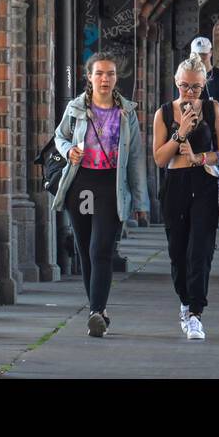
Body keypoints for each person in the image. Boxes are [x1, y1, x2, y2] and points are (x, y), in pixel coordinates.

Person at [50, 51, 149, 338]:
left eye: (110, 74)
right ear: (89, 77)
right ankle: (99, 309)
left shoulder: (127, 113)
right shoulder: (76, 108)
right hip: (80, 184)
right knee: (85, 251)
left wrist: (141, 202)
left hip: (111, 186)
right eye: (100, 73)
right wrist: (69, 150)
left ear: (116, 78)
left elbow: (135, 159)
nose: (105, 79)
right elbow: (59, 136)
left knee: (100, 249)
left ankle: (95, 311)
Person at [152, 55, 219, 341]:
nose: (189, 92)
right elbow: (160, 159)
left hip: (205, 183)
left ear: (204, 86)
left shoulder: (212, 110)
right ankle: (184, 303)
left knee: (200, 250)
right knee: (178, 251)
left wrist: (199, 157)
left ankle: (196, 313)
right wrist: (180, 134)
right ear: (176, 82)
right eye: (185, 86)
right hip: (175, 184)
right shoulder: (163, 113)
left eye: (196, 87)